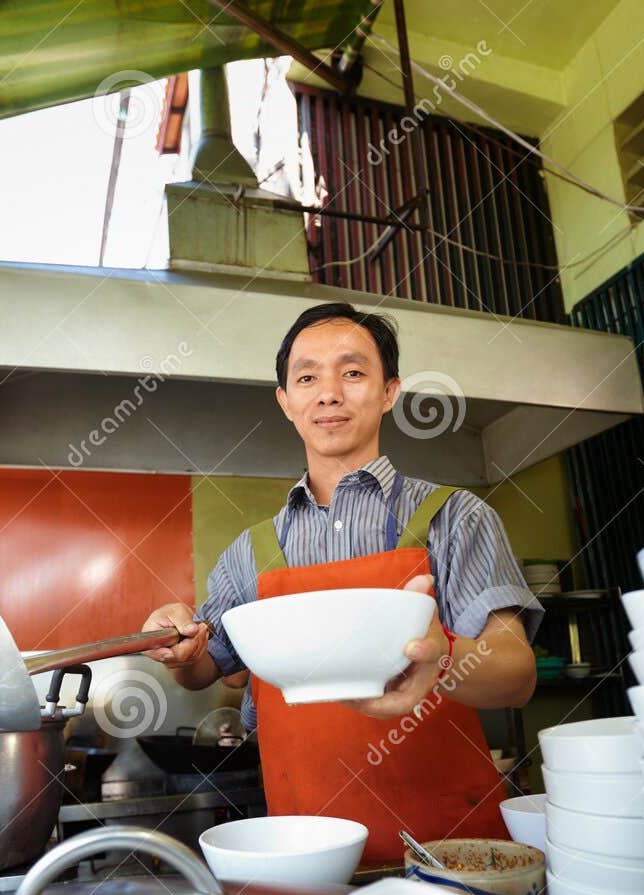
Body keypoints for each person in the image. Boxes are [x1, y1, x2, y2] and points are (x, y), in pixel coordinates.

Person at [140, 302, 543, 864]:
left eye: (352, 372)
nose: (328, 393)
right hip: (306, 850)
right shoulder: (248, 554)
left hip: (448, 853)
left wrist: (442, 658)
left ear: (389, 391)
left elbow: (517, 674)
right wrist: (177, 647)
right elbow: (210, 667)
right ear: (286, 402)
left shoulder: (455, 518)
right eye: (307, 377)